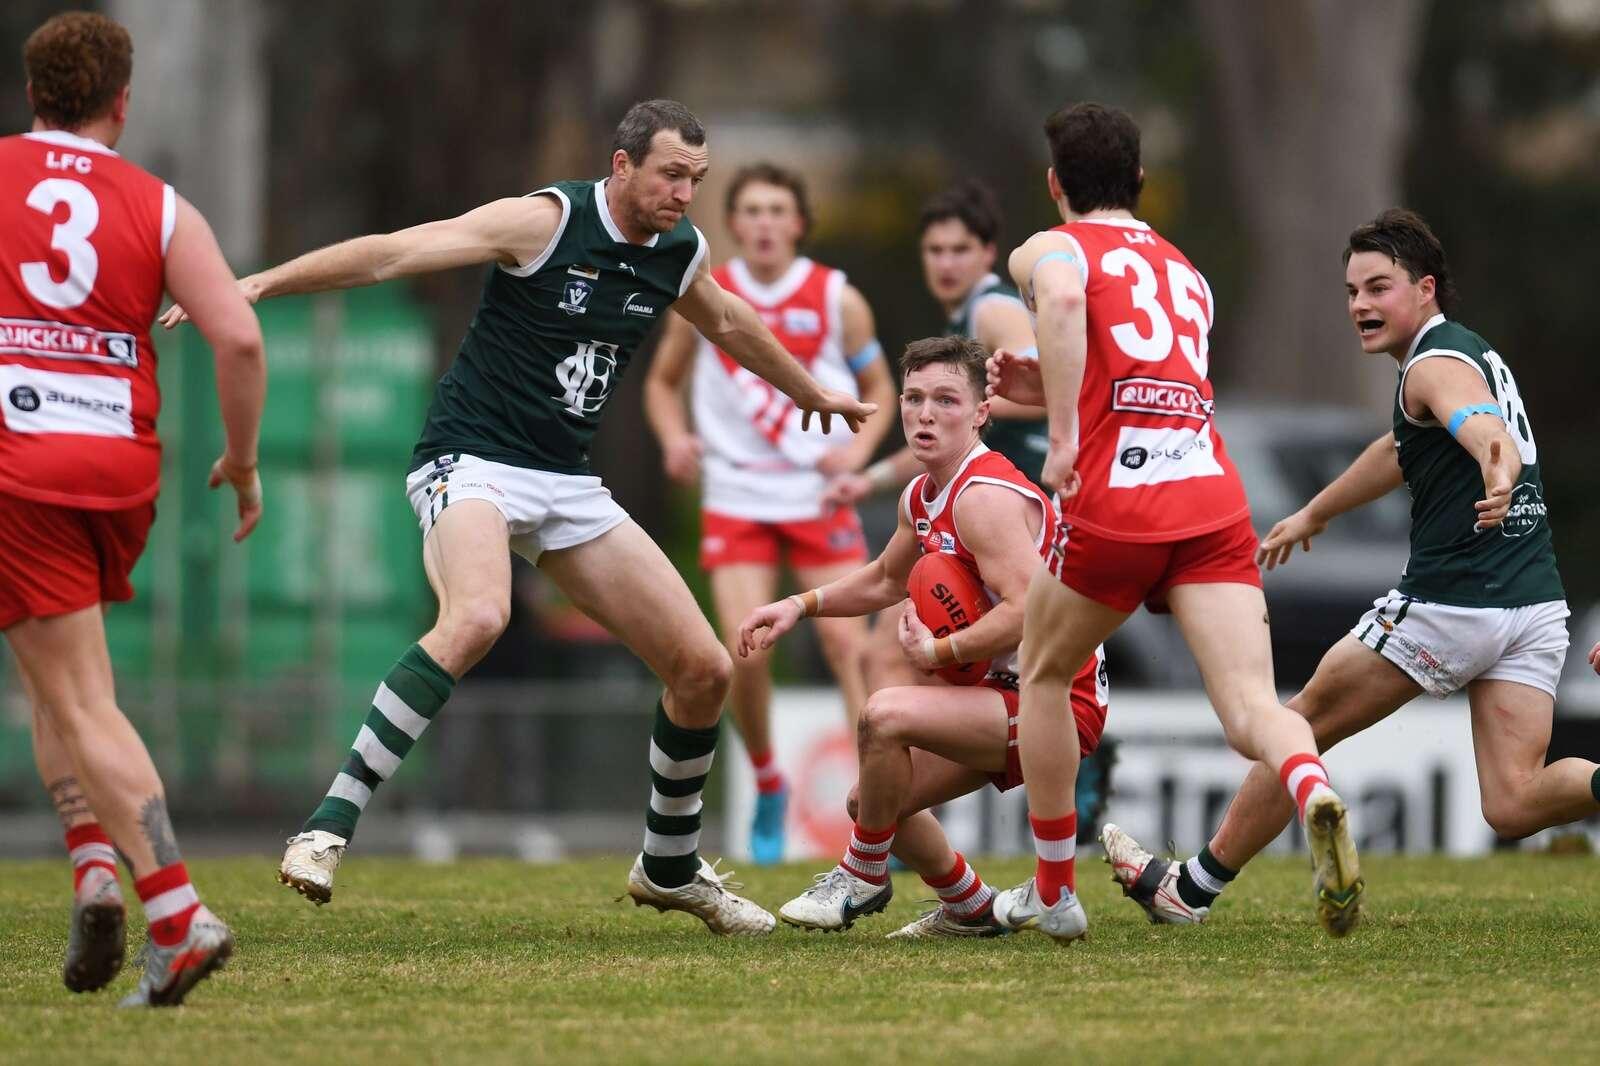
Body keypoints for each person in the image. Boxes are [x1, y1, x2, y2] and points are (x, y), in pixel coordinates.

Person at [162, 99, 875, 935]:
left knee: (705, 669)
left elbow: (726, 320)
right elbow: (393, 254)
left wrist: (812, 393)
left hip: (564, 482)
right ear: (622, 165)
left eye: (697, 179)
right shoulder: (544, 221)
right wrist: (260, 283)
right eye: (671, 175)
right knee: (478, 616)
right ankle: (326, 827)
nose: (686, 193)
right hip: (470, 459)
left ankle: (670, 867)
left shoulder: (681, 251)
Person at [1102, 209, 1596, 924]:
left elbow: (1481, 428)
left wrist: (1497, 463)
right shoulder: (1465, 353)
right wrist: (1316, 512)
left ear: (1426, 289)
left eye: (1379, 287)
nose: (1360, 304)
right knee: (1514, 802)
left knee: (1295, 724)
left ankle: (1190, 889)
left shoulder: (1433, 365)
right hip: (1533, 605)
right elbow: (1402, 449)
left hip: (1453, 606)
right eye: (1352, 291)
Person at [985, 102, 1360, 941]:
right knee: (1251, 708)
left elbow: (1065, 300)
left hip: (1118, 500)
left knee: (1043, 673)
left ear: (1055, 185)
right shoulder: (1187, 270)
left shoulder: (1049, 247)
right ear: (1141, 181)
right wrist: (1051, 385)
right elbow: (1142, 366)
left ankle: (1053, 892)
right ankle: (1310, 785)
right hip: (1211, 499)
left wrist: (1061, 437)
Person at [2, 11, 266, 1006]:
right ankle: (96, 871)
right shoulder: (159, 206)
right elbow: (235, 340)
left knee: (73, 696)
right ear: (122, 101)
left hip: (16, 462)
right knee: (66, 676)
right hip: (118, 467)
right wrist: (241, 465)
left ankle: (178, 912)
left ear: (32, 95)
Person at [737, 336, 1108, 937]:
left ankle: (861, 874)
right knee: (873, 801)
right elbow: (886, 579)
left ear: (982, 411)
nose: (925, 414)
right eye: (913, 398)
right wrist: (797, 605)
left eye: (946, 400)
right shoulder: (924, 493)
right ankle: (972, 907)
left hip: (1059, 701)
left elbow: (1031, 613)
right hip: (1008, 691)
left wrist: (942, 652)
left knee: (882, 717)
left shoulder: (982, 497)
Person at [642, 162, 895, 864]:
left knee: (855, 650)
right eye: (748, 210)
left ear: (798, 223)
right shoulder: (703, 291)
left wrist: (863, 457)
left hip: (817, 492)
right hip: (738, 494)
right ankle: (767, 780)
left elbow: (881, 388)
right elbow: (662, 387)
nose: (761, 222)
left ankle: (877, 807)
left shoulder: (837, 297)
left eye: (775, 209)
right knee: (745, 652)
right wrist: (673, 439)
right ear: (734, 223)